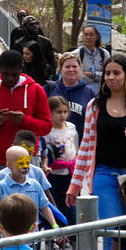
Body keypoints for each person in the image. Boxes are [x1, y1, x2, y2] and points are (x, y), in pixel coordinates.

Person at [65, 54, 126, 234]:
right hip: (103, 175)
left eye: (116, 73)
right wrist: (75, 185)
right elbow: (85, 147)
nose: (111, 77)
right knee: (112, 230)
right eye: (107, 73)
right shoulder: (94, 106)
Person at [0, 50, 52, 238]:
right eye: (5, 73)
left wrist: (25, 120)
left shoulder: (35, 90)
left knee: (28, 214)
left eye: (14, 74)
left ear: (21, 70)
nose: (9, 78)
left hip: (28, 164)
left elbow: (46, 127)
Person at [0, 145, 59, 232]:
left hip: (33, 235)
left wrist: (54, 225)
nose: (25, 167)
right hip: (11, 235)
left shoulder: (35, 184)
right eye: (20, 163)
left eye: (27, 163)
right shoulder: (1, 186)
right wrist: (3, 230)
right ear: (9, 165)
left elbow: (45, 206)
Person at [44, 95, 79, 226]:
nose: (63, 115)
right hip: (52, 174)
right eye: (58, 112)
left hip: (70, 173)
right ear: (50, 112)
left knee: (71, 205)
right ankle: (55, 236)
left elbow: (75, 147)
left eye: (65, 112)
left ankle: (72, 236)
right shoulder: (47, 130)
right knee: (55, 204)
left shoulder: (71, 127)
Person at [48, 53, 97, 133]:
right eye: (67, 67)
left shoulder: (89, 93)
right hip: (52, 141)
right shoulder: (49, 89)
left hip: (80, 142)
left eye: (74, 66)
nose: (71, 69)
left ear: (80, 69)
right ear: (60, 69)